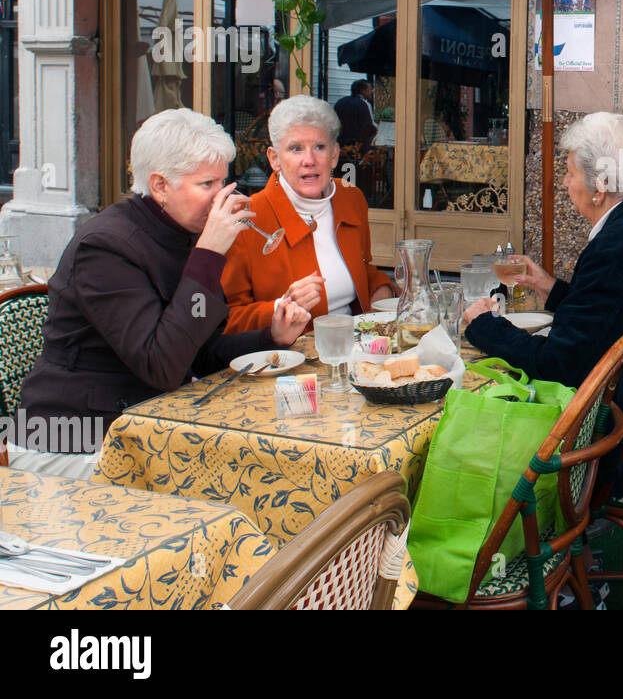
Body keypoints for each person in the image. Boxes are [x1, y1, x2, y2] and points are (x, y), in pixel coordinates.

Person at [14, 109, 312, 479]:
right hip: (74, 438)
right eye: (207, 185)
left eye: (223, 182)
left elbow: (196, 352)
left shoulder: (181, 233)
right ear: (159, 186)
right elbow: (163, 366)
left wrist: (271, 337)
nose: (221, 198)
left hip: (146, 423)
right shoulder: (105, 248)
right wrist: (208, 256)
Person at [461, 112, 623, 495]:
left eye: (570, 173)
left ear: (600, 185)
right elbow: (614, 313)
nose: (564, 183)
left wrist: (483, 326)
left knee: (486, 423)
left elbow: (559, 366)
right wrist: (548, 286)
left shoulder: (615, 247)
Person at [222, 95, 395, 332]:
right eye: (295, 148)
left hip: (354, 346)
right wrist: (279, 308)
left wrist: (381, 290)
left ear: (334, 155)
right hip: (287, 360)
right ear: (275, 159)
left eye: (319, 147)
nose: (309, 160)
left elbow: (362, 269)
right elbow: (229, 321)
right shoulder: (245, 218)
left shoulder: (351, 198)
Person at [336, 79, 378, 149]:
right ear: (363, 91)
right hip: (358, 145)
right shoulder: (364, 104)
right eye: (370, 89)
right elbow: (370, 126)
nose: (372, 92)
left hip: (341, 144)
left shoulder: (340, 102)